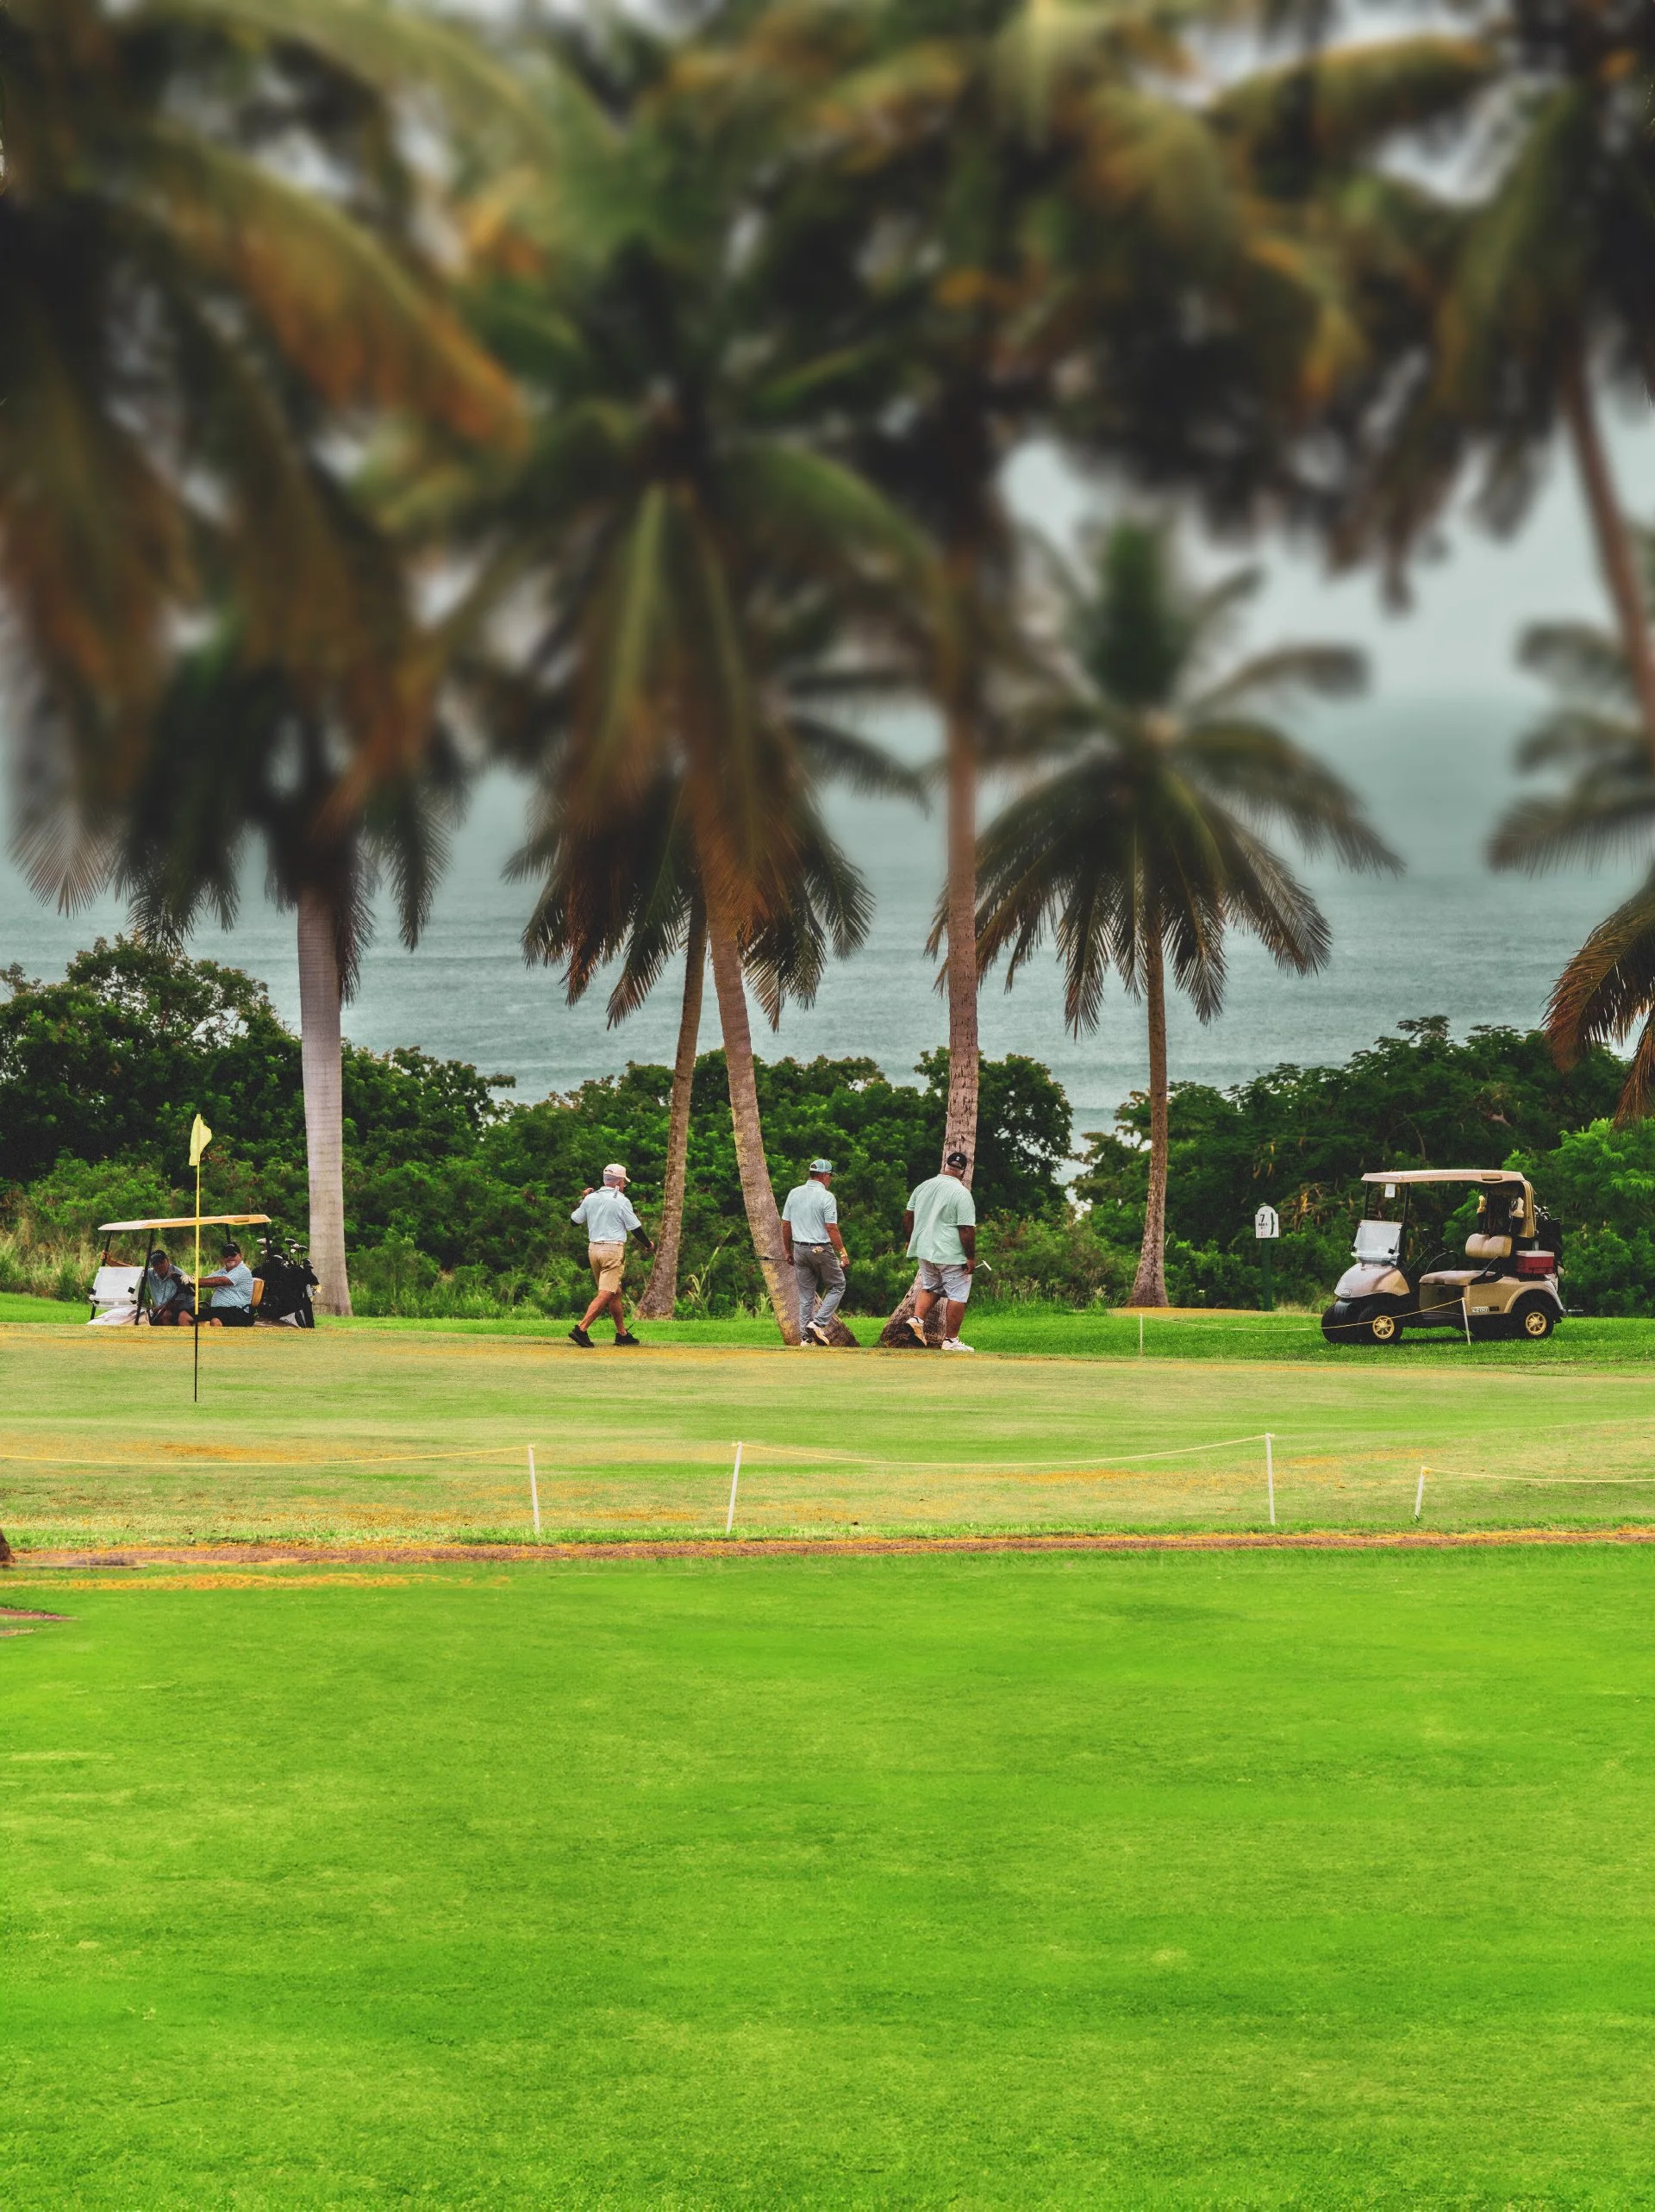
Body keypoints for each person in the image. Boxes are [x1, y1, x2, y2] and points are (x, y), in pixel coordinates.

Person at [569, 1165, 656, 1347]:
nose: (624, 1185)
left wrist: (584, 1200)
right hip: (612, 1250)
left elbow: (574, 1222)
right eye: (624, 1182)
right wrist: (648, 1244)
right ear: (618, 1182)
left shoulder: (590, 1198)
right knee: (607, 1293)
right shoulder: (621, 1200)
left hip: (593, 1250)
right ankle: (581, 1329)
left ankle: (622, 1334)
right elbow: (635, 1228)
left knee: (615, 1292)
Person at [902, 1151, 977, 1353]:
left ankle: (917, 1319)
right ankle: (951, 1340)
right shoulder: (961, 1193)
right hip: (950, 1252)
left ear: (945, 1165)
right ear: (963, 1171)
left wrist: (910, 1239)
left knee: (931, 1286)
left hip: (924, 1249)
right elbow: (966, 1229)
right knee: (958, 1294)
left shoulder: (923, 1186)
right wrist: (970, 1257)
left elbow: (908, 1216)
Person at [781, 1158, 849, 1347]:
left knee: (806, 1297)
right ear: (825, 1176)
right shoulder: (827, 1197)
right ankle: (817, 1324)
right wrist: (843, 1253)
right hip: (820, 1248)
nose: (831, 1180)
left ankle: (805, 1338)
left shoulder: (794, 1193)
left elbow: (786, 1225)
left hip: (799, 1250)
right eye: (830, 1177)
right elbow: (831, 1228)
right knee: (837, 1285)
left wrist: (788, 1251)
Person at [197, 1241, 256, 1328]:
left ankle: (222, 1342)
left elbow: (222, 1281)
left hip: (238, 1312)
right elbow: (204, 1281)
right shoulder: (221, 1272)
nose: (229, 1257)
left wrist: (195, 1281)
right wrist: (187, 1281)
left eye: (233, 1254)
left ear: (240, 1256)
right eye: (226, 1255)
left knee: (215, 1320)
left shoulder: (243, 1270)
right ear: (223, 1258)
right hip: (217, 1310)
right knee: (184, 1315)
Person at [144, 1248, 195, 1328]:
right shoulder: (150, 1273)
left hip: (185, 1309)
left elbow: (174, 1304)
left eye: (162, 1262)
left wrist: (153, 1310)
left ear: (168, 1261)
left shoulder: (178, 1275)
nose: (159, 1266)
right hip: (162, 1308)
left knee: (165, 1314)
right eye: (155, 1264)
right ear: (152, 1266)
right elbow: (134, 1274)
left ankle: (170, 1337)